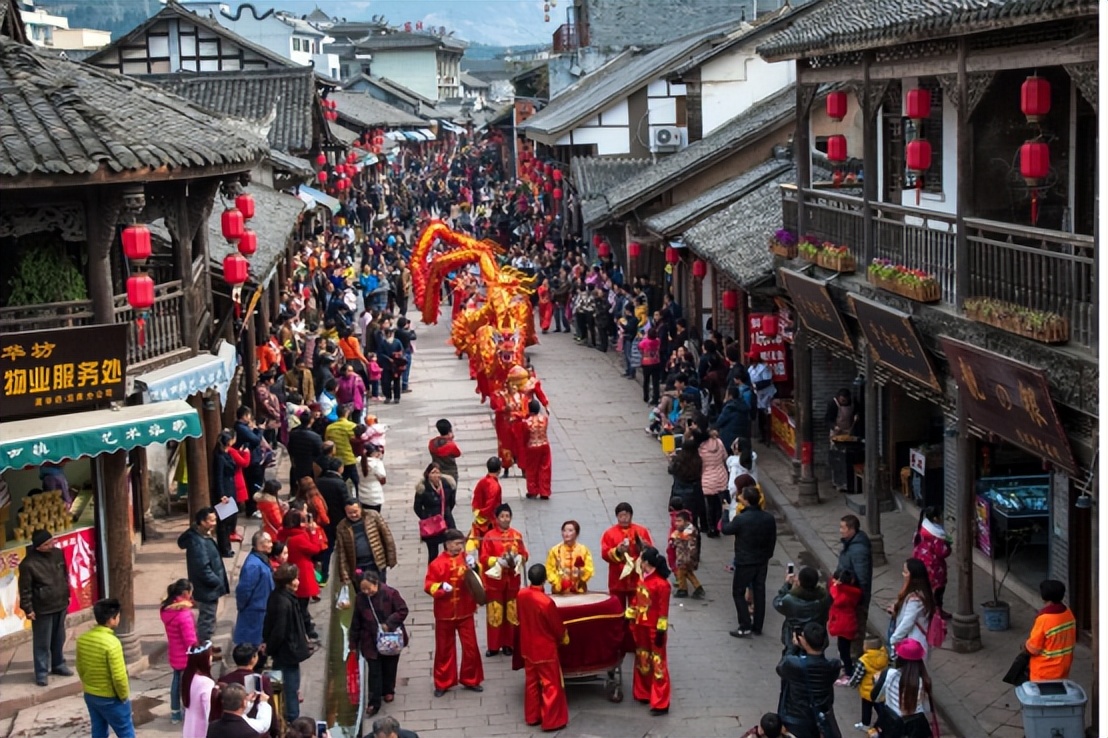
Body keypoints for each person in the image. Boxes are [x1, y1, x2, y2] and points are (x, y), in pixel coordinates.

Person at [423, 528, 484, 697]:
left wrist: (475, 567)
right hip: (445, 613)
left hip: (466, 611)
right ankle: (443, 682)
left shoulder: (466, 559)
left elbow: (476, 581)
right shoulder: (436, 564)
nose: (460, 547)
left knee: (470, 647)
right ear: (448, 544)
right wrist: (441, 588)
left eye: (461, 544)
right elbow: (428, 586)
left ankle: (471, 679)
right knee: (444, 649)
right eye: (457, 544)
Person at [349, 571, 410, 715]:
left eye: (368, 588)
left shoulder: (390, 594)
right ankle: (374, 701)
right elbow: (356, 622)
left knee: (390, 665)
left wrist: (389, 623)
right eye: (363, 589)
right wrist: (353, 643)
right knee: (374, 671)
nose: (366, 592)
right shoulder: (360, 599)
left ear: (376, 584)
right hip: (370, 639)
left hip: (390, 638)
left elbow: (403, 610)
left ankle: (388, 690)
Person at [517, 564, 569, 731]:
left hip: (527, 647)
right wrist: (563, 636)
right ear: (545, 579)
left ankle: (532, 717)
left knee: (531, 683)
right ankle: (552, 720)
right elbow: (556, 626)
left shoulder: (521, 594)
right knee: (551, 684)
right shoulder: (546, 602)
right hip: (545, 650)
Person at [18, 528, 72, 686]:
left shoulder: (57, 553)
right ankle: (41, 671)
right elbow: (25, 589)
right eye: (47, 543)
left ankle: (58, 664)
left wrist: (66, 593)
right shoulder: (28, 564)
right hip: (42, 608)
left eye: (52, 541)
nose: (51, 545)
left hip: (60, 603)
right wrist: (28, 608)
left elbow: (64, 574)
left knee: (59, 638)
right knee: (42, 642)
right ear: (39, 546)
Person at [722, 486, 777, 637]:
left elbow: (726, 529)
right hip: (761, 560)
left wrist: (726, 512)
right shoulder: (768, 518)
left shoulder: (741, 519)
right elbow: (772, 539)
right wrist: (767, 555)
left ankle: (745, 624)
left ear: (746, 500)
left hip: (745, 561)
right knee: (760, 592)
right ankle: (757, 626)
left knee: (738, 592)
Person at [76, 598, 134, 738]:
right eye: (118, 616)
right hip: (111, 698)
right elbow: (119, 677)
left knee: (99, 730)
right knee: (125, 731)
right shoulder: (112, 643)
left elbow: (80, 667)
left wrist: (89, 685)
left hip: (91, 695)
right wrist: (124, 696)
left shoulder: (82, 639)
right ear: (112, 619)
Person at [262, 564, 312, 722]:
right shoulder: (283, 602)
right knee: (290, 687)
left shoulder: (280, 597)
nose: (298, 581)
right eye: (295, 579)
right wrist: (270, 647)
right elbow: (279, 630)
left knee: (283, 685)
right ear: (288, 582)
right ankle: (292, 719)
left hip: (286, 650)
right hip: (287, 652)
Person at [478, 504, 528, 656]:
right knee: (495, 612)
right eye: (502, 516)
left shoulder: (517, 535)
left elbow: (524, 554)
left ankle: (509, 644)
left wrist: (520, 558)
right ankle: (494, 645)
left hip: (512, 580)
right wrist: (498, 561)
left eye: (507, 516)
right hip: (495, 581)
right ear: (497, 518)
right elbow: (483, 558)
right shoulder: (489, 536)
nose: (505, 519)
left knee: (512, 612)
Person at [775, 622, 841, 738]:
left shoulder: (794, 664)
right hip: (819, 716)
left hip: (796, 716)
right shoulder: (833, 665)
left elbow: (781, 668)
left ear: (805, 641)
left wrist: (793, 647)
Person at [627, 546, 671, 716]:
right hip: (640, 627)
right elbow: (635, 600)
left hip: (654, 630)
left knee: (658, 663)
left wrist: (661, 631)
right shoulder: (642, 579)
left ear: (645, 562)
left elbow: (663, 611)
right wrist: (629, 616)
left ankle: (661, 702)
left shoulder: (662, 585)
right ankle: (643, 692)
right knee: (642, 659)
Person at [178, 507, 230, 642]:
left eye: (215, 519)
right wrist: (216, 581)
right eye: (211, 520)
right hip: (207, 588)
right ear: (202, 522)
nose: (214, 523)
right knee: (206, 621)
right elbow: (202, 568)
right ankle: (204, 649)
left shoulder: (202, 535)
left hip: (208, 587)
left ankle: (208, 647)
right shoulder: (198, 541)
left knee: (209, 619)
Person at [277, 509, 326, 641]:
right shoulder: (299, 538)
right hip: (302, 573)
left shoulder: (283, 534)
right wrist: (314, 532)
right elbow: (315, 549)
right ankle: (306, 628)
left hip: (290, 569)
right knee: (302, 605)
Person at [872, 639, 936, 738]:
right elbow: (927, 708)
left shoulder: (889, 675)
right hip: (915, 727)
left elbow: (875, 697)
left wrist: (877, 681)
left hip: (891, 723)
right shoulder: (924, 681)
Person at [599, 503, 654, 608]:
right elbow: (605, 553)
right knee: (618, 609)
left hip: (637, 576)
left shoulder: (641, 531)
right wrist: (618, 551)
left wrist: (642, 546)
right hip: (618, 578)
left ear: (631, 515)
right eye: (621, 516)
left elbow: (651, 551)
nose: (624, 519)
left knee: (637, 608)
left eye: (626, 515)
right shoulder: (609, 533)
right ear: (617, 517)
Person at [159, 579, 197, 724]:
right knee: (187, 686)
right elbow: (190, 641)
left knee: (176, 682)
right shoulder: (183, 615)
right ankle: (188, 711)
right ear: (186, 593)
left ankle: (175, 713)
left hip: (175, 653)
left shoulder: (167, 609)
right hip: (186, 656)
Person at [336, 498, 397, 585]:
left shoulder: (373, 516)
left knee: (380, 588)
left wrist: (391, 558)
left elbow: (387, 537)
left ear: (360, 509)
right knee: (363, 591)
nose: (353, 515)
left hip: (376, 563)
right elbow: (341, 552)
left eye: (355, 511)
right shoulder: (342, 527)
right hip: (358, 566)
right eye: (349, 513)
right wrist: (344, 574)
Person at [1024, 578, 1076, 681]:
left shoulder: (1044, 619)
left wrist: (1025, 645)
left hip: (1044, 671)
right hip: (1063, 668)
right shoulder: (1068, 613)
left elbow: (1034, 649)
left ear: (1044, 597)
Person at [837, 514, 873, 658]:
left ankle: (853, 661)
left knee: (855, 630)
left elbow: (862, 578)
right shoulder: (852, 545)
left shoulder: (858, 550)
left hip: (854, 598)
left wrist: (860, 600)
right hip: (848, 596)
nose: (840, 530)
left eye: (843, 527)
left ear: (852, 529)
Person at [217, 645, 274, 733]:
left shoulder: (224, 680)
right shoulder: (262, 680)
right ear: (253, 659)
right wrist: (275, 730)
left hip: (228, 727)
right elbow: (270, 706)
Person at [234, 531, 275, 649]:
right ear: (262, 544)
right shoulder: (253, 565)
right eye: (269, 542)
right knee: (251, 646)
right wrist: (242, 606)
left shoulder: (261, 560)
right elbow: (244, 590)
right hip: (254, 611)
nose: (271, 545)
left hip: (261, 608)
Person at [887, 558, 935, 660]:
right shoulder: (921, 593)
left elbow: (907, 621)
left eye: (905, 572)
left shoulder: (916, 600)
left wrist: (894, 639)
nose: (903, 574)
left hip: (913, 644)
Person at [413, 462, 457, 564]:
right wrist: (426, 517)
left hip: (446, 521)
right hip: (432, 524)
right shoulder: (423, 488)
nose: (436, 475)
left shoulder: (446, 484)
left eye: (438, 472)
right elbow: (417, 507)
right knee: (433, 552)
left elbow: (451, 501)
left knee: (451, 547)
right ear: (428, 474)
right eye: (433, 472)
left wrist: (447, 512)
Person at [313, 456, 348, 584]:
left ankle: (323, 574)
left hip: (323, 520)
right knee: (340, 546)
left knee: (326, 546)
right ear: (340, 468)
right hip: (337, 520)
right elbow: (346, 502)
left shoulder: (319, 481)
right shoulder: (340, 483)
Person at [911, 509, 952, 619]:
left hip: (921, 563)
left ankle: (928, 609)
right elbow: (942, 552)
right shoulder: (936, 535)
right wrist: (948, 546)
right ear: (935, 518)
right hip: (934, 566)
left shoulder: (921, 529)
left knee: (925, 589)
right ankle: (936, 612)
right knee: (938, 591)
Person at [828, 569, 862, 681]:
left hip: (844, 626)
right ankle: (848, 669)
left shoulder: (843, 595)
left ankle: (849, 673)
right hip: (848, 624)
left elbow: (836, 600)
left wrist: (835, 586)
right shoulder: (853, 592)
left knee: (844, 650)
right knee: (844, 648)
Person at [205, 682, 273, 738]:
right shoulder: (250, 731)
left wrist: (249, 702)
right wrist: (263, 703)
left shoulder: (211, 727)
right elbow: (263, 725)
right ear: (244, 703)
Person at [181, 640, 219, 738]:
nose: (211, 658)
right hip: (202, 731)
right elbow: (208, 710)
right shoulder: (206, 682)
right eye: (209, 655)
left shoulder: (187, 677)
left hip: (189, 729)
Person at [851, 635, 889, 733]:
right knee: (880, 707)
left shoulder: (863, 660)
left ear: (866, 648)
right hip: (880, 689)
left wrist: (852, 684)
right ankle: (885, 722)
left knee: (866, 708)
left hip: (867, 690)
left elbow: (857, 675)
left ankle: (865, 724)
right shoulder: (884, 655)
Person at [546, 520, 595, 594]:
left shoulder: (583, 550)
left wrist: (581, 580)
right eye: (564, 530)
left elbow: (589, 569)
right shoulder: (555, 550)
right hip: (559, 591)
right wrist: (558, 583)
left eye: (570, 531)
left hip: (579, 589)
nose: (566, 534)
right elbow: (549, 570)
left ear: (577, 533)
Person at [698, 428, 729, 536]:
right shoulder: (719, 443)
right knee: (718, 504)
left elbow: (700, 465)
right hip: (721, 476)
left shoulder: (701, 448)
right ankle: (718, 525)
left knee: (710, 505)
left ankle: (712, 528)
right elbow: (725, 457)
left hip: (707, 478)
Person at [520, 400, 553, 499]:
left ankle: (532, 490)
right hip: (544, 445)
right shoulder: (544, 419)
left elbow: (525, 437)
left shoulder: (526, 423)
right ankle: (545, 491)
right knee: (545, 468)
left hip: (532, 446)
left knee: (531, 469)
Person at [670, 510, 704, 599]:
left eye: (679, 521)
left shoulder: (689, 531)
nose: (676, 523)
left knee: (683, 571)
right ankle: (693, 588)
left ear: (686, 521)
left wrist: (674, 539)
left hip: (687, 557)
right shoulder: (682, 530)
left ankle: (685, 589)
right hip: (682, 556)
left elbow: (680, 539)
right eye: (676, 521)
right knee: (686, 572)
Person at [324, 403, 360, 486]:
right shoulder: (352, 426)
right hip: (349, 457)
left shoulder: (330, 427)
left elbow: (327, 442)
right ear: (347, 413)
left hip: (335, 458)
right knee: (355, 480)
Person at [286, 413, 323, 491]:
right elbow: (319, 452)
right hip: (309, 464)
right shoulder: (315, 436)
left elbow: (290, 448)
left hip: (296, 461)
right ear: (311, 421)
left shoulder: (293, 433)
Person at [469, 457, 503, 540]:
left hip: (480, 519)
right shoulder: (495, 486)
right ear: (499, 470)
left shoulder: (482, 481)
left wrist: (478, 513)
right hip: (489, 522)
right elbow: (491, 505)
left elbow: (475, 499)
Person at [357, 444, 387, 512]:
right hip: (375, 494)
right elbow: (383, 477)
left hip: (362, 493)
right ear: (373, 453)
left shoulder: (358, 462)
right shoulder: (376, 463)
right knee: (375, 515)